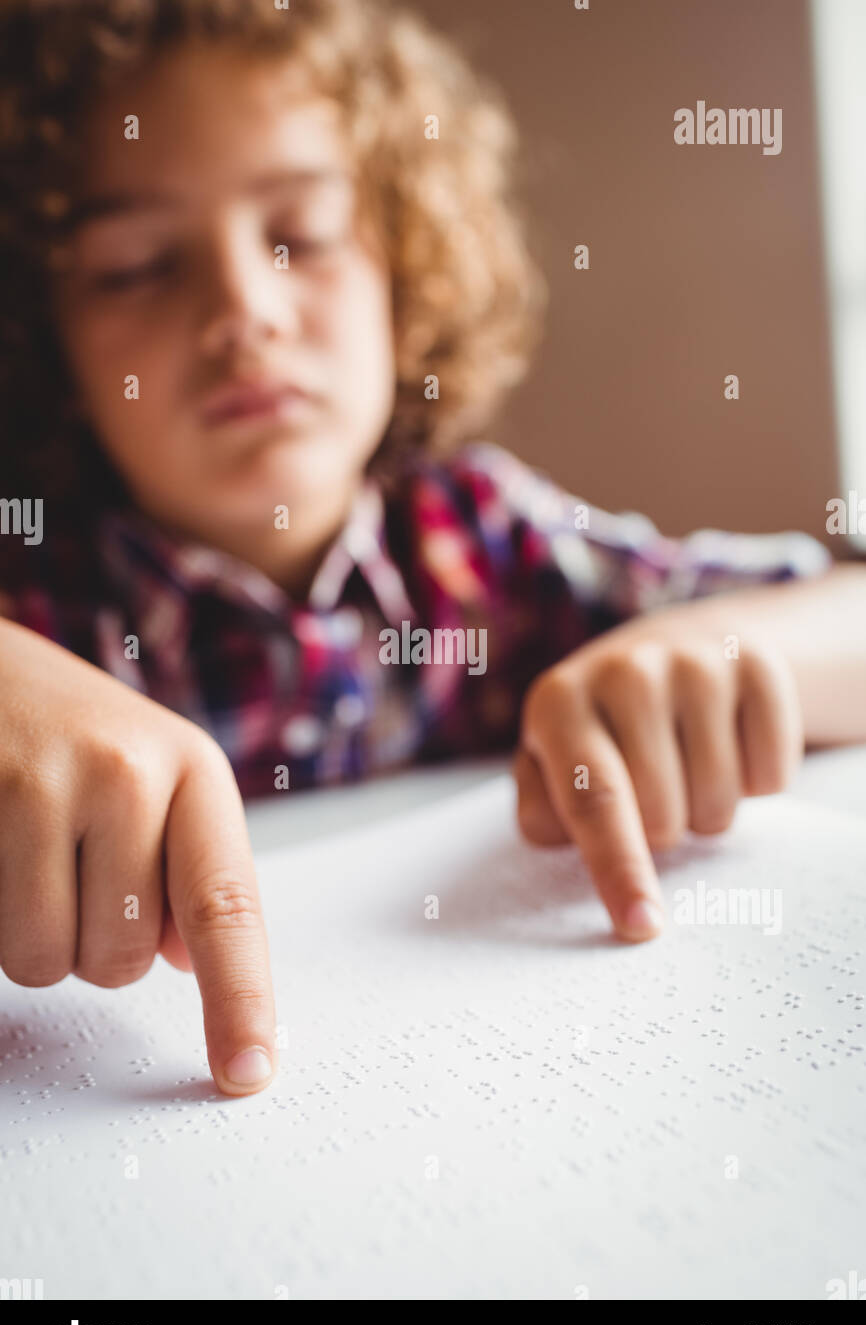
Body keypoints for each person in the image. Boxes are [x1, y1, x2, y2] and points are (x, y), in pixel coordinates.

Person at [1, 0, 864, 1096]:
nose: (242, 307)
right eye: (132, 265)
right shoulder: (30, 597)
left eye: (300, 235)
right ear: (38, 330)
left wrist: (730, 651)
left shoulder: (482, 545)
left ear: (405, 260)